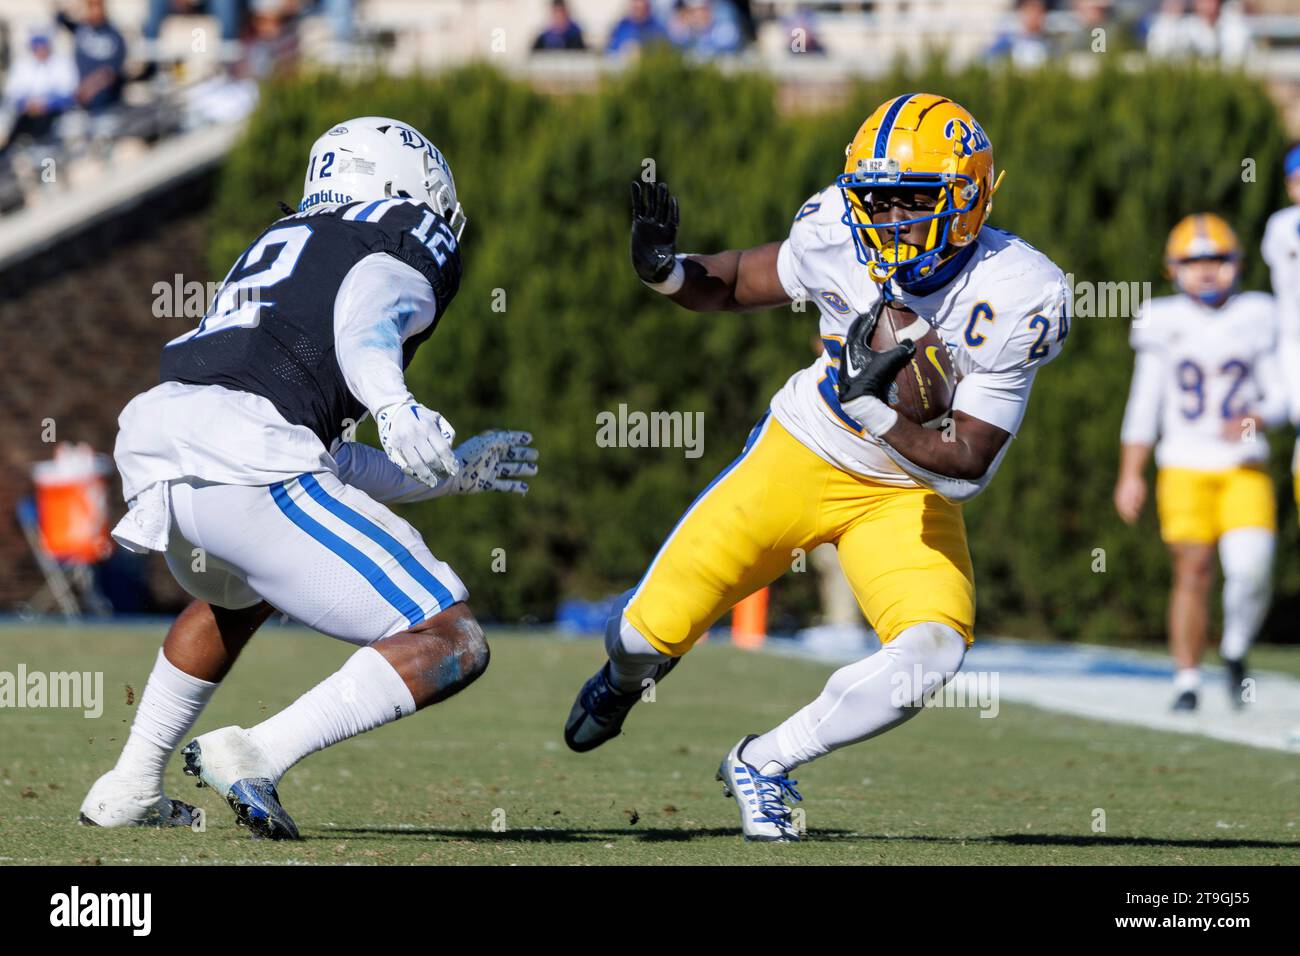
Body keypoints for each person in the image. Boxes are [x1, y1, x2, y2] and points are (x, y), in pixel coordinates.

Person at [565, 94, 1070, 841]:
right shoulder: (836, 229)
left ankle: (764, 763)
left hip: (908, 494)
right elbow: (738, 280)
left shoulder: (1020, 291)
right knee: (641, 637)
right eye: (876, 200)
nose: (887, 220)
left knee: (932, 653)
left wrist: (878, 412)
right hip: (802, 453)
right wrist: (670, 274)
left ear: (968, 200)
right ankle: (628, 680)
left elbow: (966, 467)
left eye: (912, 202)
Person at [78, 117, 538, 839]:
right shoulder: (392, 242)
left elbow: (328, 458)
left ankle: (131, 781)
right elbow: (368, 317)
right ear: (405, 183)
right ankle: (257, 750)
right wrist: (395, 402)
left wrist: (451, 478)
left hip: (172, 454)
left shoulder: (286, 245)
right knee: (451, 637)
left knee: (246, 592)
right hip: (249, 458)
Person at [1114, 214, 1284, 712]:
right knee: (1193, 568)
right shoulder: (1162, 319)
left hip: (1244, 464)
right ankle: (1187, 678)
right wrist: (1130, 473)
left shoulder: (1258, 313)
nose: (1207, 271)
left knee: (1250, 570)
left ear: (1238, 264)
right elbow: (1143, 404)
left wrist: (1254, 420)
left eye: (1217, 260)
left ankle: (1233, 648)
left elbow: (1280, 397)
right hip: (1184, 462)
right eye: (1194, 261)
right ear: (1173, 268)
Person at [1, 32, 78, 152]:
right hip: (25, 114)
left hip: (54, 113)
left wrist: (46, 103)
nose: (40, 51)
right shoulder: (22, 65)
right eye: (37, 48)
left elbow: (69, 93)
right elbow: (12, 93)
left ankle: (46, 154)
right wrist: (26, 103)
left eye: (43, 47)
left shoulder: (62, 63)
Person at [56, 0, 127, 115]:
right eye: (90, 7)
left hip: (102, 96)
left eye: (97, 7)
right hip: (80, 94)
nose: (94, 12)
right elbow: (59, 18)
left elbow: (112, 71)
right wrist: (76, 7)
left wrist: (90, 87)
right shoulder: (81, 29)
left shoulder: (114, 35)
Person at [1145, 0, 1253, 65]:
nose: (1207, 4)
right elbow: (1159, 52)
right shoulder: (1186, 26)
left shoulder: (1234, 26)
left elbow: (1235, 60)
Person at [986, 0, 1054, 68]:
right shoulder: (1008, 40)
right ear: (1022, 12)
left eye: (1039, 11)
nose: (1034, 16)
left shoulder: (1050, 42)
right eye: (1030, 10)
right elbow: (987, 57)